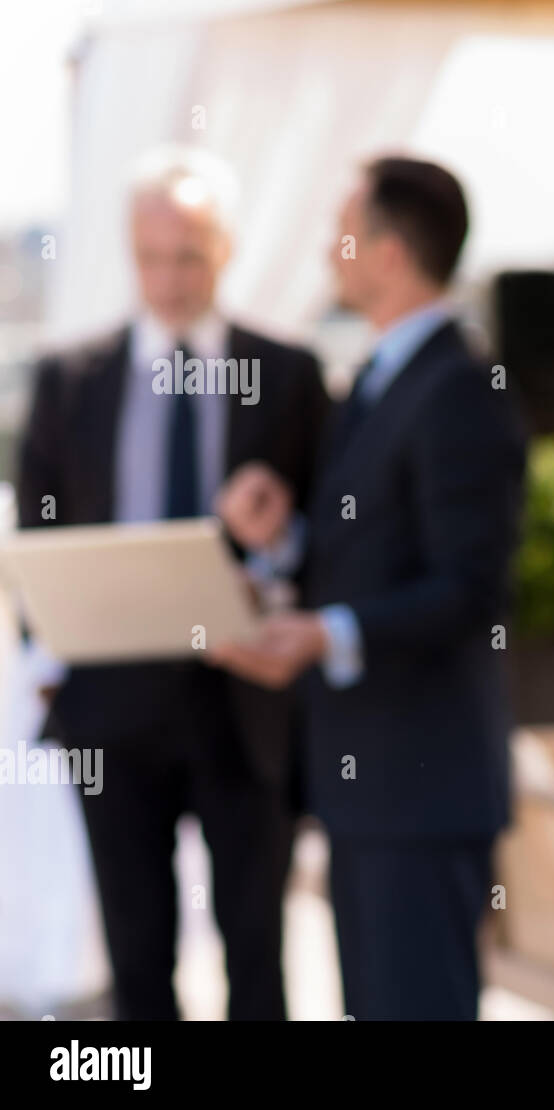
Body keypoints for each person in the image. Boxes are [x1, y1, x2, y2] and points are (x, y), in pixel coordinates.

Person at [210, 156, 527, 1020]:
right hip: (370, 789)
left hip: (422, 790)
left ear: (387, 253)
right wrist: (284, 538)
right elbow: (376, 555)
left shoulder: (459, 387)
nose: (329, 251)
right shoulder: (380, 380)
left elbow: (471, 588)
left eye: (342, 232)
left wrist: (325, 634)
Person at [17, 145, 329, 1020]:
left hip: (244, 705)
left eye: (188, 256)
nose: (168, 280)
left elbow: (331, 539)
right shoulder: (70, 379)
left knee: (257, 955)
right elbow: (39, 539)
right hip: (111, 710)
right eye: (150, 257)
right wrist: (47, 662)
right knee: (137, 957)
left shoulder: (287, 374)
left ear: (225, 249)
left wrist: (279, 538)